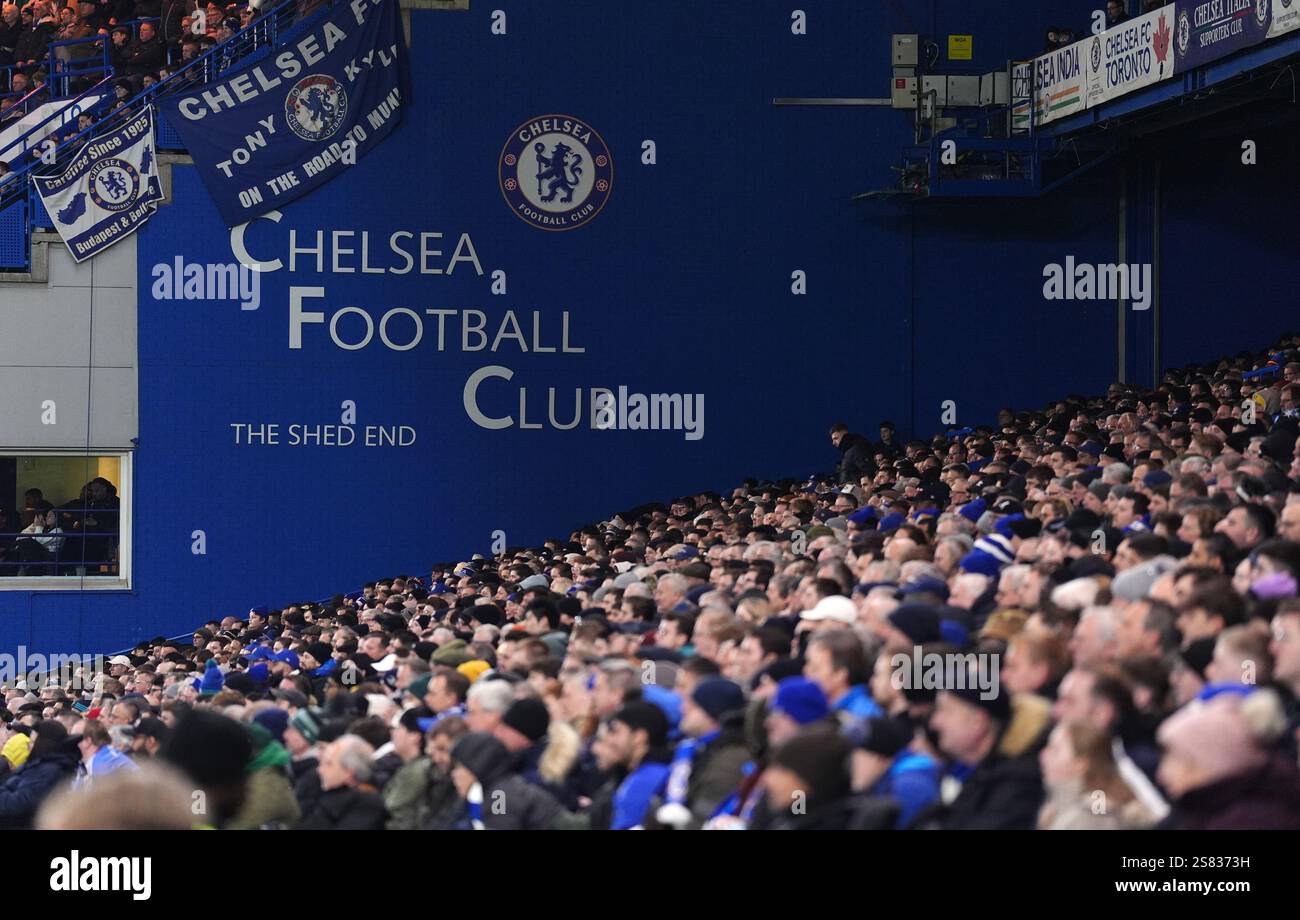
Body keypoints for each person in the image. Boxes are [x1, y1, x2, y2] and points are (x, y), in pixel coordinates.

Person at [295, 735, 386, 830]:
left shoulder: (367, 806)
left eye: (328, 764)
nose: (320, 770)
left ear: (349, 772)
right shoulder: (324, 792)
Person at [0, 720, 78, 828]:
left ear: (43, 743)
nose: (28, 747)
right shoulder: (36, 763)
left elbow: (19, 803)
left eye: (32, 742)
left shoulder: (49, 770)